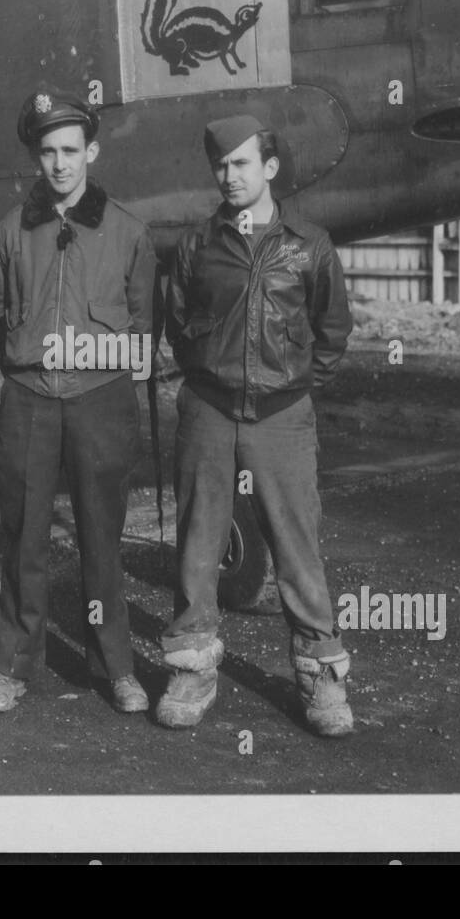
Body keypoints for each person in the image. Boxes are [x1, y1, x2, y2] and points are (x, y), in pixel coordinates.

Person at [157, 113, 354, 735]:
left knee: (298, 549)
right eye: (221, 165)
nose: (229, 175)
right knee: (198, 544)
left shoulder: (309, 244)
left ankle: (321, 676)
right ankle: (192, 664)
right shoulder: (197, 243)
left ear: (269, 168)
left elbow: (332, 331)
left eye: (242, 163)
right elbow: (179, 323)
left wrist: (290, 389)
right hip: (209, 412)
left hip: (282, 417)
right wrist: (213, 380)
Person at [0, 90, 156, 714]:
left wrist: (87, 365)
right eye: (48, 151)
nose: (60, 163)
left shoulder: (129, 233)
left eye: (71, 150)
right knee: (23, 536)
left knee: (101, 538)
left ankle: (115, 667)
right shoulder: (5, 236)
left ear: (93, 152)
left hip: (100, 401)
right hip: (28, 400)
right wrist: (34, 367)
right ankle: (10, 666)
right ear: (35, 156)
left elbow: (141, 334)